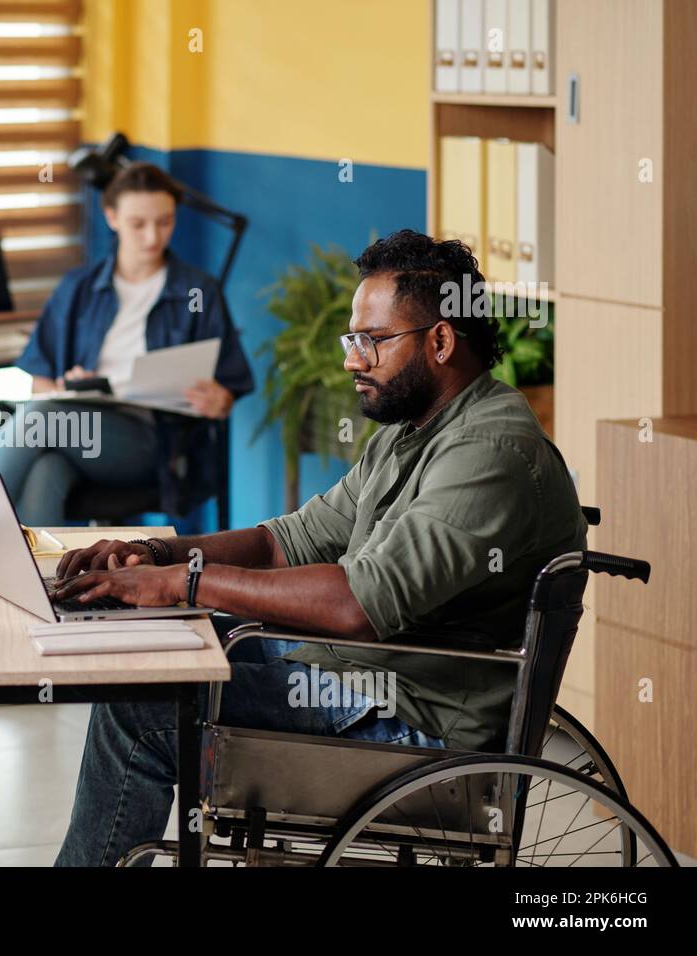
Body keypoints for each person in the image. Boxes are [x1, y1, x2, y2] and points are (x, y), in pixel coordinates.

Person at [48, 229, 587, 866]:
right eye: (351, 340)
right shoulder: (410, 433)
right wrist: (162, 554)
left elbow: (359, 602)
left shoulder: (490, 452)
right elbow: (288, 543)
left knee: (139, 712)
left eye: (372, 341)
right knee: (165, 647)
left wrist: (185, 585)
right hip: (354, 676)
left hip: (414, 724)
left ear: (441, 341)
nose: (352, 360)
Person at [0, 162, 254, 525]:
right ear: (111, 217)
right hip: (78, 431)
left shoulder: (198, 291)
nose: (152, 237)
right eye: (138, 224)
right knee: (45, 470)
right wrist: (68, 388)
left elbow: (228, 391)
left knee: (37, 418)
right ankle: (40, 581)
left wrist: (218, 400)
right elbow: (41, 384)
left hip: (152, 443)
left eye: (164, 222)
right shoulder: (77, 287)